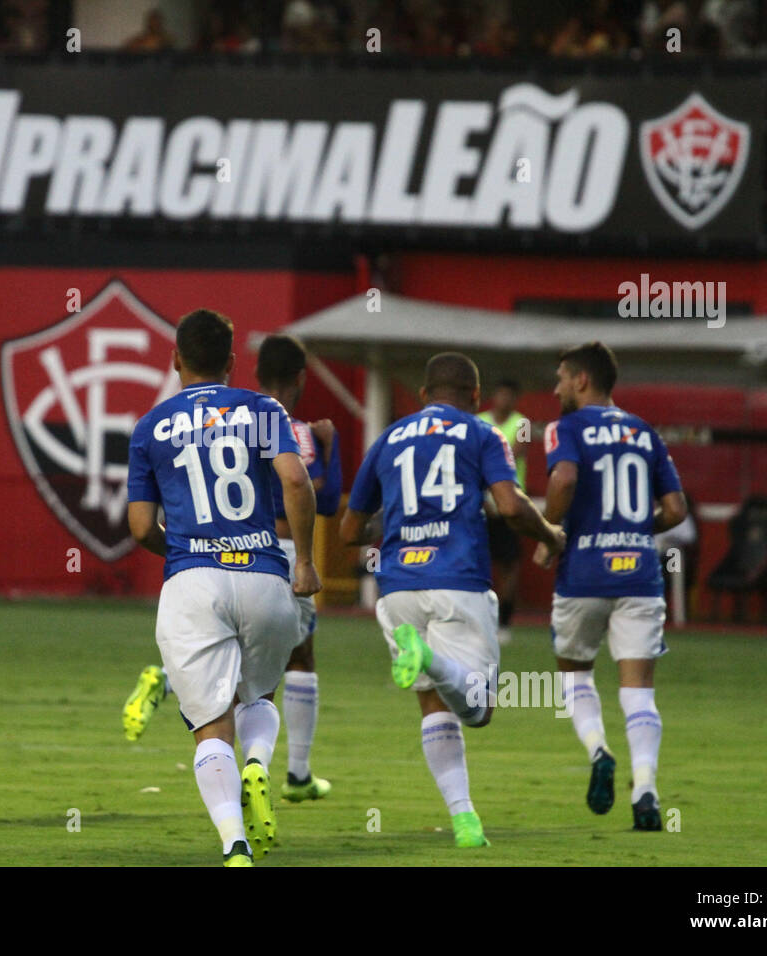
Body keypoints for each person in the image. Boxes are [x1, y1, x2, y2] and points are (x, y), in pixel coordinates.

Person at [341, 352, 564, 848]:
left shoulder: (387, 439)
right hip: (456, 580)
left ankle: (465, 819)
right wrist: (550, 534)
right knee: (479, 708)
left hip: (398, 588)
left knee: (433, 705)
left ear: (423, 395)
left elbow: (349, 530)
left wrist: (398, 522)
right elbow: (509, 505)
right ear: (475, 399)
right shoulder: (483, 434)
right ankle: (432, 659)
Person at [126, 310, 320, 866]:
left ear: (175, 360)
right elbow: (294, 479)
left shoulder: (151, 426)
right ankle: (259, 763)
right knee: (257, 697)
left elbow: (140, 528)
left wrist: (188, 550)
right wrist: (304, 562)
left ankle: (234, 845)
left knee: (211, 726)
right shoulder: (264, 409)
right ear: (233, 364)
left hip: (193, 582)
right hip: (264, 573)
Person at [533, 342, 687, 831]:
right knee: (639, 690)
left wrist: (548, 534)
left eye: (560, 377)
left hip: (583, 572)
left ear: (581, 380)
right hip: (640, 575)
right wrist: (638, 530)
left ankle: (599, 750)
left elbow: (563, 480)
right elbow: (677, 509)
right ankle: (646, 791)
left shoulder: (566, 428)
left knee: (574, 676)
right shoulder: (645, 432)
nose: (555, 387)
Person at [478, 379, 530, 645]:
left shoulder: (523, 424)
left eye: (510, 395)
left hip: (510, 503)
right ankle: (479, 620)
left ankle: (505, 621)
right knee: (478, 563)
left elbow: (515, 453)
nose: (505, 400)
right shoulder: (479, 421)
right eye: (501, 394)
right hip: (483, 505)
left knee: (509, 565)